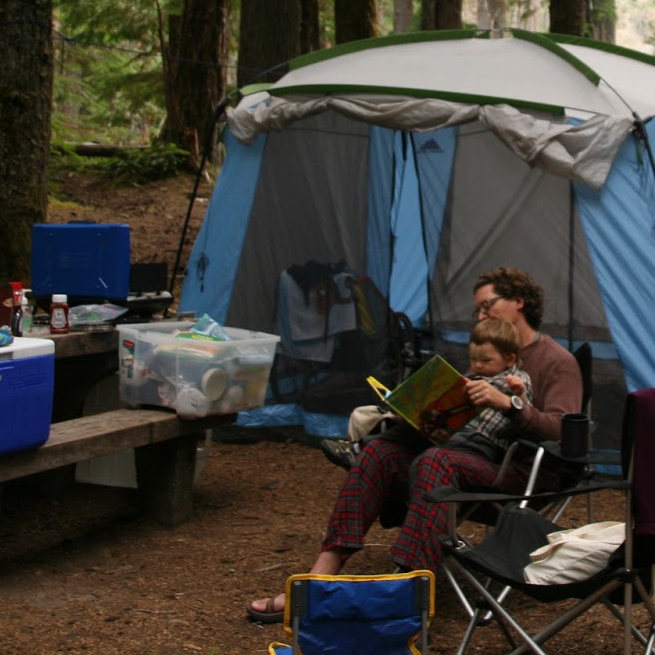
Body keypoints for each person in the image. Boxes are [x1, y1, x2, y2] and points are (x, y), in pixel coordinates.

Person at [246, 266, 582, 624]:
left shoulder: (557, 362)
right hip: (462, 455)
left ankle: (405, 596)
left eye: (487, 306)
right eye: (478, 311)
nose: (481, 316)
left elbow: (563, 430)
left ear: (519, 302)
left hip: (517, 470)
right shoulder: (486, 354)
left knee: (435, 462)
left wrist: (510, 406)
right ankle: (320, 577)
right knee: (380, 452)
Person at [441, 315, 531, 465]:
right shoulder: (472, 375)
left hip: (486, 440)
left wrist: (519, 394)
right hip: (458, 433)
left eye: (485, 360)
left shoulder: (517, 379)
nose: (478, 365)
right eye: (473, 359)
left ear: (510, 360)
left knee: (440, 455)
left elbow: (527, 415)